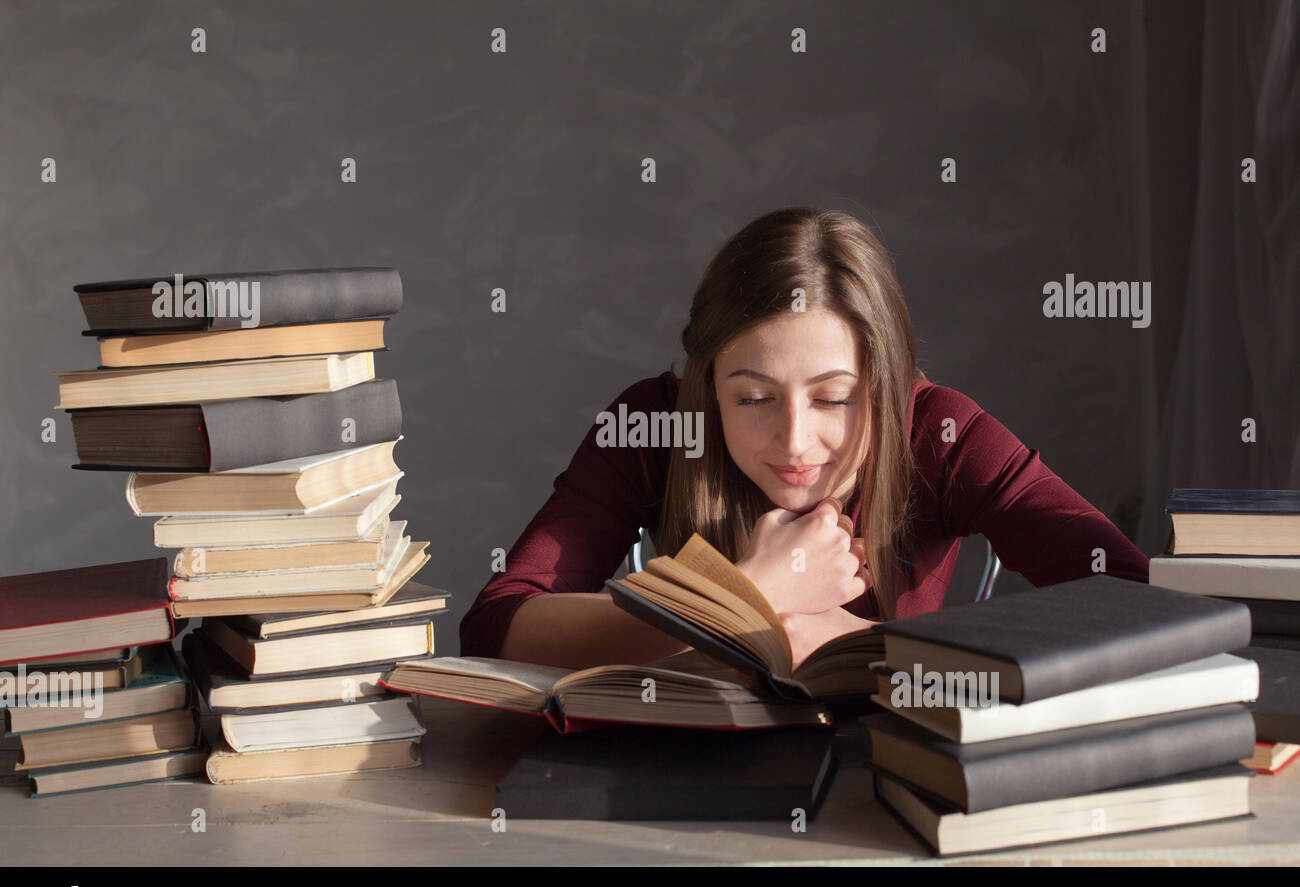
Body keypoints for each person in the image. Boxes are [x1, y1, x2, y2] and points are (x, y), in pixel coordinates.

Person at [460, 208, 1149, 671]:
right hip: (684, 783)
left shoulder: (941, 433)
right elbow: (498, 623)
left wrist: (864, 644)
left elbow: (1142, 607)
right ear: (708, 383)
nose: (795, 441)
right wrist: (742, 594)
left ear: (884, 382)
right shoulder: (655, 424)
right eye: (753, 397)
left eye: (835, 398)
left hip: (892, 785)